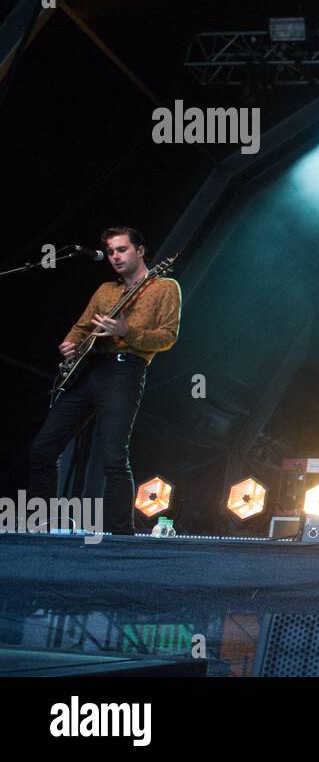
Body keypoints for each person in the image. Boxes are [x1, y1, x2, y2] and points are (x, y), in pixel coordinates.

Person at [27, 227, 182, 534]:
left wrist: (127, 332)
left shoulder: (165, 286)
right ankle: (39, 527)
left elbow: (168, 337)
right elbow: (81, 327)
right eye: (111, 252)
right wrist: (70, 344)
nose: (115, 257)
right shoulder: (105, 290)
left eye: (122, 249)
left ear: (140, 251)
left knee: (113, 454)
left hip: (124, 370)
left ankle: (121, 536)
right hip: (87, 370)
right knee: (43, 449)